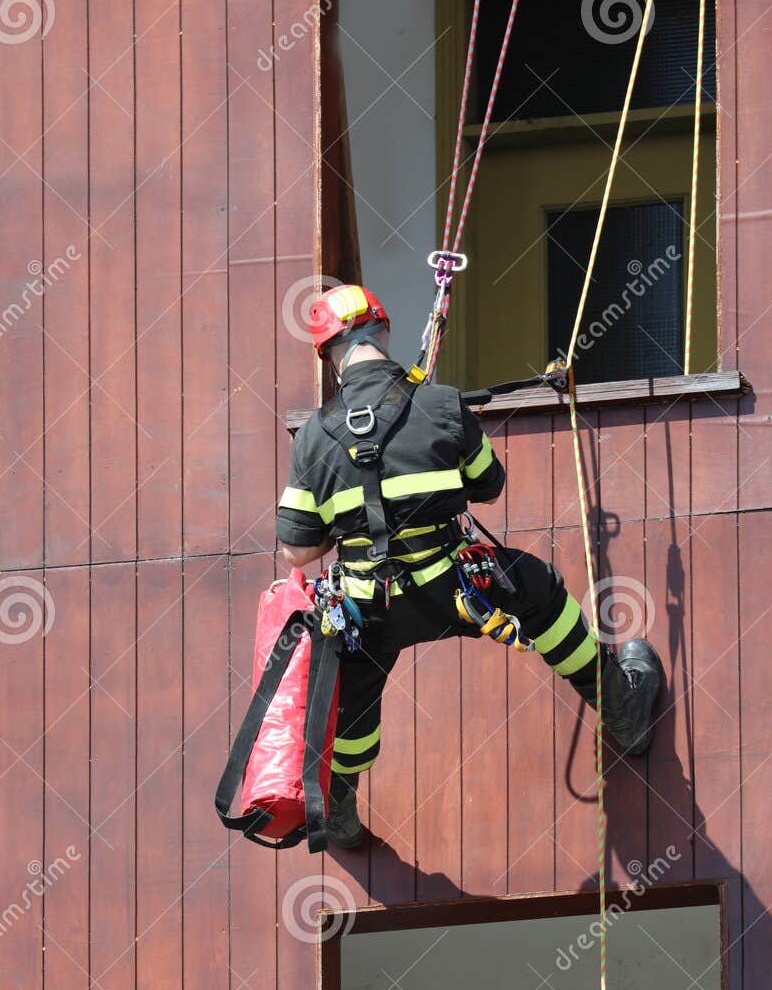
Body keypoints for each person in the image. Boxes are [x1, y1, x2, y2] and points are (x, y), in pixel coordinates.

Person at [276, 284, 663, 848]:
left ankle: (336, 807)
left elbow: (298, 551)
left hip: (369, 609)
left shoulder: (313, 437)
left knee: (355, 687)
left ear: (329, 356)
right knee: (540, 590)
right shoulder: (439, 403)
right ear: (383, 332)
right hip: (457, 589)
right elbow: (488, 487)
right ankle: (621, 708)